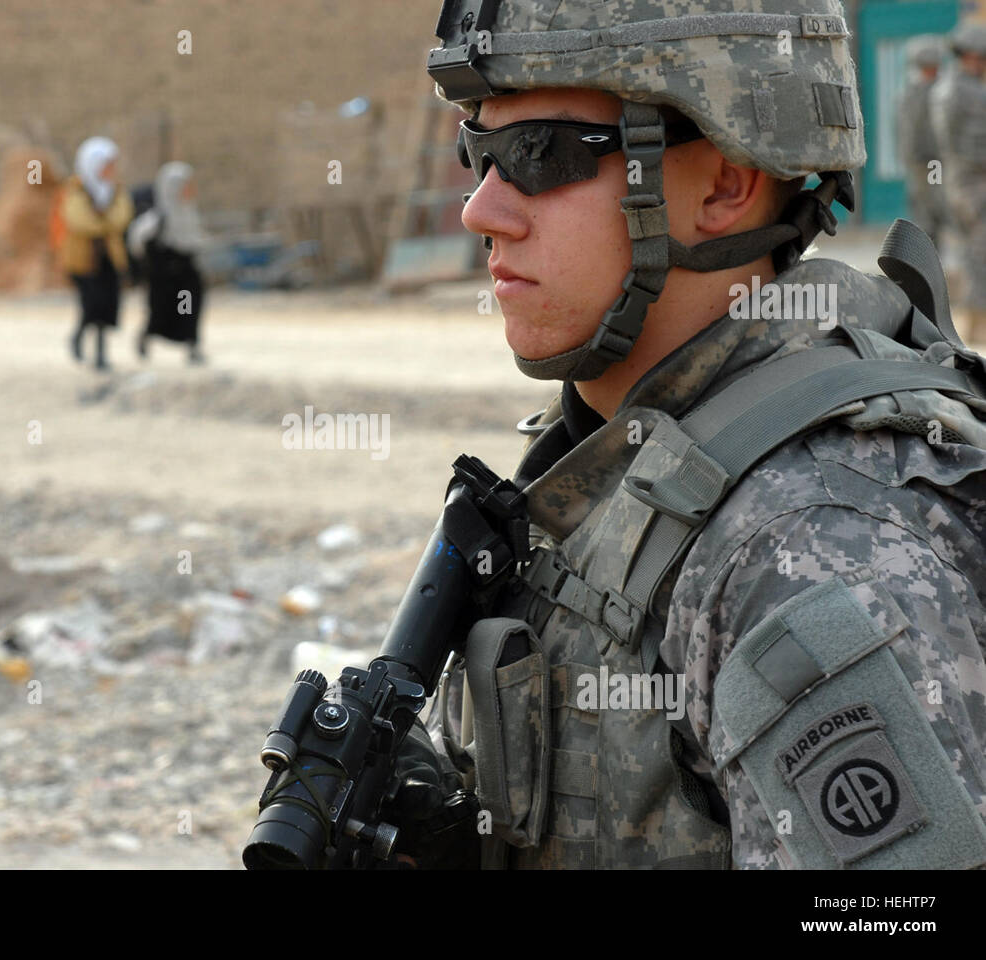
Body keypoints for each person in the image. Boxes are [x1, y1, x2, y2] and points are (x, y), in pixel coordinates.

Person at [384, 0, 986, 870]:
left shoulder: (811, 539)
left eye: (539, 155)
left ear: (725, 184)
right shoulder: (632, 451)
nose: (482, 211)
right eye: (476, 151)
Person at [58, 136, 134, 371]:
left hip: (109, 259)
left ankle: (101, 354)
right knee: (91, 304)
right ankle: (78, 337)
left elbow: (123, 216)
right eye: (107, 164)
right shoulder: (76, 189)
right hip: (83, 260)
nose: (111, 170)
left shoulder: (115, 191)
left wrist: (103, 222)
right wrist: (105, 224)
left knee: (108, 305)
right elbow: (78, 221)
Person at [931, 23, 986, 343]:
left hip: (957, 181)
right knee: (980, 253)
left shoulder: (944, 87)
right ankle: (976, 329)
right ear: (972, 56)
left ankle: (972, 324)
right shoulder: (971, 93)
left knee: (971, 252)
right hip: (975, 183)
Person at [127, 161, 210, 365]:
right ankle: (147, 338)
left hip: (187, 275)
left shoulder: (190, 214)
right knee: (160, 311)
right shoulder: (157, 218)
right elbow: (137, 240)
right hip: (164, 277)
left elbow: (197, 242)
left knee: (188, 309)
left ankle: (191, 344)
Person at [899, 36, 948, 250]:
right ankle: (928, 250)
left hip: (934, 160)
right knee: (923, 205)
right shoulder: (912, 91)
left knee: (935, 203)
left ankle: (935, 248)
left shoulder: (940, 89)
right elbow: (905, 127)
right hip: (920, 159)